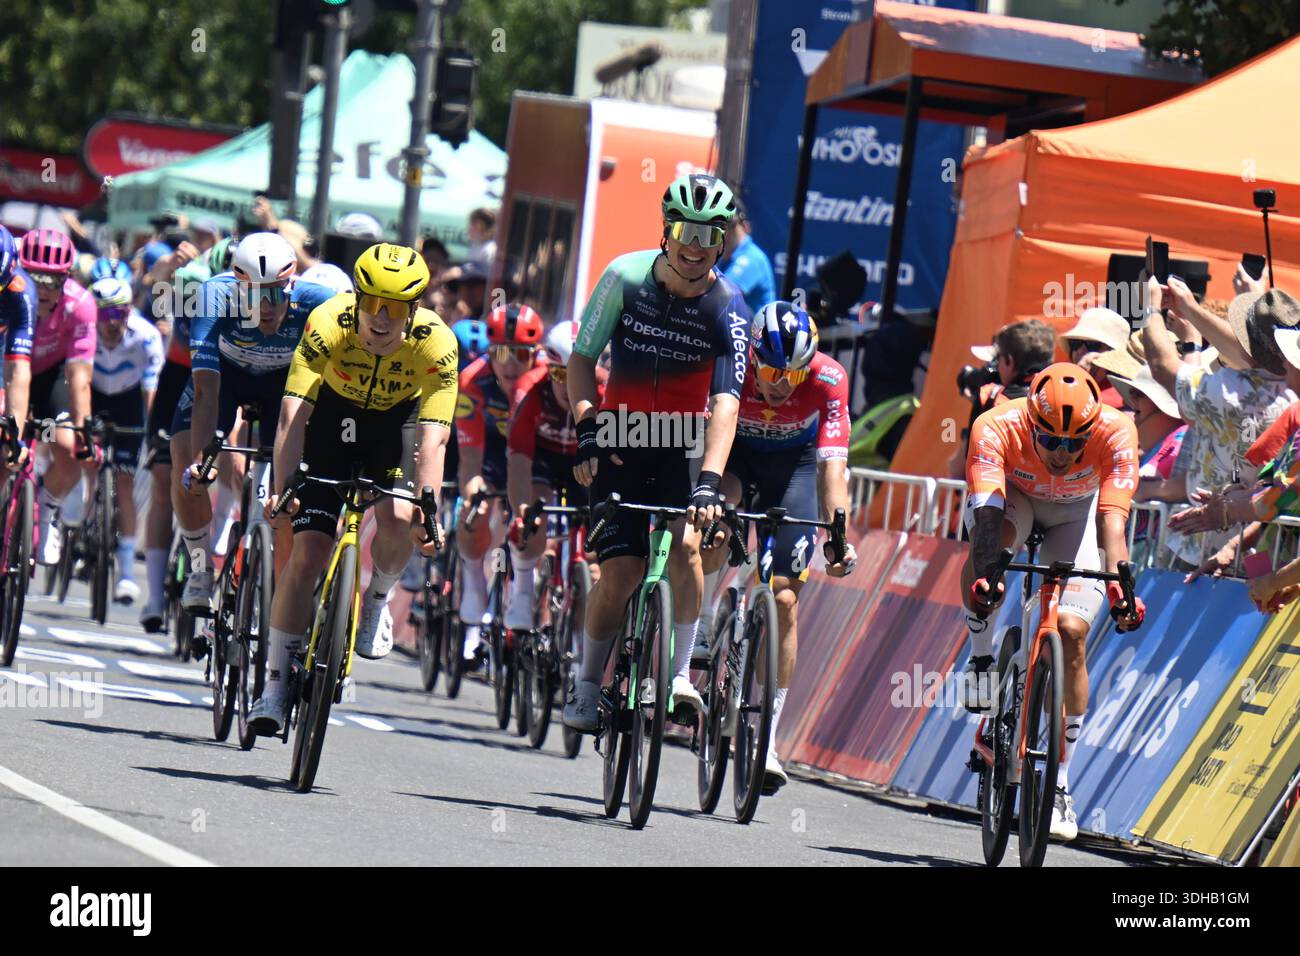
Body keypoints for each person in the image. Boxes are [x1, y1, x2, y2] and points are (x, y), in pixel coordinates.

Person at [562, 172, 751, 733]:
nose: (695, 245)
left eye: (709, 234)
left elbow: (725, 402)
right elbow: (580, 360)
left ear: (721, 242)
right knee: (619, 575)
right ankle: (588, 683)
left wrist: (711, 482)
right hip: (621, 438)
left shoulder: (729, 305)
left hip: (684, 445)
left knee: (690, 548)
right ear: (666, 230)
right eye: (685, 230)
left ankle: (676, 676)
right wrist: (588, 428)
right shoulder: (623, 276)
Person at [253, 243, 458, 734]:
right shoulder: (327, 323)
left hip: (396, 424)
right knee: (307, 554)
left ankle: (377, 600)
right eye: (371, 304)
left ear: (415, 310)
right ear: (357, 300)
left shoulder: (437, 343)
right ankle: (275, 687)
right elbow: (292, 412)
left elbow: (435, 438)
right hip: (331, 421)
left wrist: (431, 514)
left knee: (399, 520)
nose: (381, 319)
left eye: (396, 308)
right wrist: (284, 489)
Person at [963, 363, 1144, 841]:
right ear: (1031, 423)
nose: (1062, 453)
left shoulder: (1118, 432)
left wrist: (1123, 589)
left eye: (1073, 443)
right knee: (991, 558)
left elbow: (1112, 526)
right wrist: (988, 576)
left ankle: (1060, 785)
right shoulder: (996, 425)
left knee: (1071, 633)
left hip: (1076, 515)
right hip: (1013, 500)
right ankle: (982, 662)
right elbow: (985, 520)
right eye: (1051, 441)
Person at [696, 300, 858, 791]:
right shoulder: (734, 359)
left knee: (785, 598)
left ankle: (768, 740)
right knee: (718, 526)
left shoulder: (829, 379)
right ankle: (703, 624)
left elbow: (832, 466)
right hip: (738, 456)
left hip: (796, 466)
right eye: (770, 370)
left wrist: (837, 534)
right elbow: (711, 437)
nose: (779, 383)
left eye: (793, 374)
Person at [170, 233, 334, 626]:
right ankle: (199, 565)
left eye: (277, 294)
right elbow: (207, 392)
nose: (266, 307)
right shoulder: (213, 296)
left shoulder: (320, 303)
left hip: (284, 385)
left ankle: (277, 589)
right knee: (184, 466)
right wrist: (201, 463)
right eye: (254, 296)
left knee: (289, 489)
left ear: (293, 287)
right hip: (225, 381)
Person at [1145, 279, 1294, 572]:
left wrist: (1150, 310)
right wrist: (1190, 309)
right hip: (1265, 553)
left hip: (1199, 545)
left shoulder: (1229, 389)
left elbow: (1162, 366)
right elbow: (1247, 352)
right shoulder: (1293, 393)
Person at [454, 303, 547, 662]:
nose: (510, 364)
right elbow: (470, 461)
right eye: (501, 353)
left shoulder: (544, 378)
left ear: (535, 354)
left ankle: (524, 588)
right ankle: (474, 584)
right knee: (475, 511)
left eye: (520, 354)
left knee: (534, 515)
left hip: (536, 451)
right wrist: (474, 494)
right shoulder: (472, 382)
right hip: (490, 450)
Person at [503, 321, 605, 630]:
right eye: (560, 375)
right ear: (548, 370)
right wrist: (522, 513)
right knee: (536, 512)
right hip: (542, 459)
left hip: (582, 461)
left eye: (579, 375)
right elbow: (519, 458)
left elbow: (618, 455)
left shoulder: (607, 390)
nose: (568, 385)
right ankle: (522, 590)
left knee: (597, 540)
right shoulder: (529, 389)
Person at [11, 229, 98, 565]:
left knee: (68, 446)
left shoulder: (81, 306)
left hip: (50, 378)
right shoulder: (9, 295)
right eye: (34, 277)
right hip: (7, 369)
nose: (43, 288)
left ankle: (47, 508)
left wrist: (83, 431)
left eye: (52, 280)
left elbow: (79, 378)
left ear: (68, 278)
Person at [88, 277, 163, 603]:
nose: (112, 322)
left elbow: (151, 390)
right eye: (104, 315)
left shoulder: (146, 335)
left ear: (128, 311)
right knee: (86, 462)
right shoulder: (84, 329)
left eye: (118, 313)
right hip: (92, 392)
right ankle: (78, 519)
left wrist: (152, 432)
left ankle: (127, 573)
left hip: (130, 399)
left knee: (125, 483)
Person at [949, 319, 1055, 477]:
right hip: (1052, 495)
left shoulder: (990, 397)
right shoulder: (1062, 397)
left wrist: (981, 408)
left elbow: (959, 469)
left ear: (1009, 361)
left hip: (998, 495)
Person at [718, 201, 775, 315]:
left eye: (731, 225)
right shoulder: (721, 256)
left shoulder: (752, 257)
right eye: (720, 226)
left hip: (756, 331)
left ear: (745, 226)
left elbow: (721, 296)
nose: (726, 232)